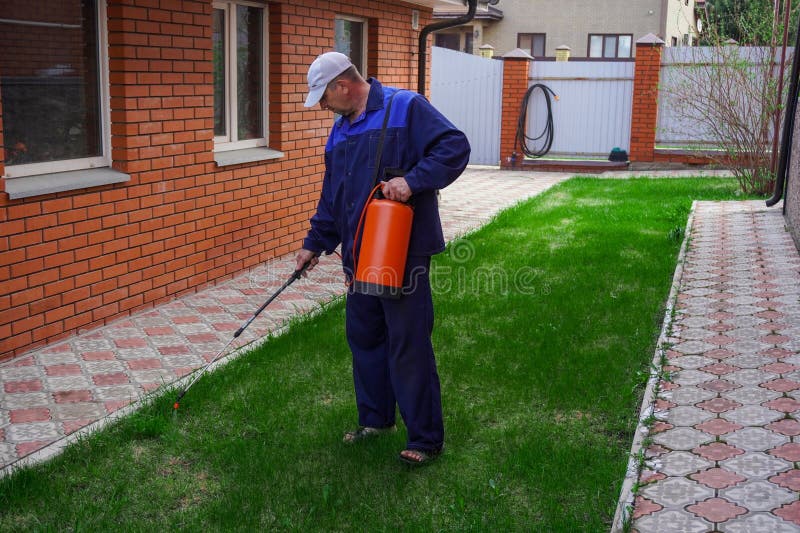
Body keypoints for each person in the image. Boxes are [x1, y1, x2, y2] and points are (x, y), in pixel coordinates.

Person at [295, 51, 470, 466]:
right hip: (359, 254)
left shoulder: (405, 107)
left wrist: (412, 181)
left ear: (343, 85)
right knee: (365, 336)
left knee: (407, 342)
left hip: (400, 248)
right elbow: (333, 197)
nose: (322, 106)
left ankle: (425, 438)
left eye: (324, 97)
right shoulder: (338, 131)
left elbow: (454, 146)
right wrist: (313, 243)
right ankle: (376, 420)